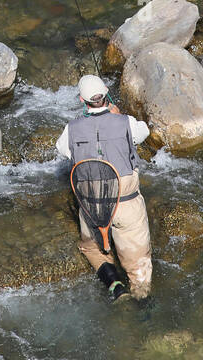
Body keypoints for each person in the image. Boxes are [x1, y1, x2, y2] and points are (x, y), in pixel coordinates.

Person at [56, 74, 153, 302]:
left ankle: (115, 285)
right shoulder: (125, 122)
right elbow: (144, 132)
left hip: (91, 206)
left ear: (82, 100)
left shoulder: (71, 129)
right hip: (125, 203)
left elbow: (63, 150)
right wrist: (117, 116)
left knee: (91, 248)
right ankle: (142, 307)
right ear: (106, 95)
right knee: (139, 265)